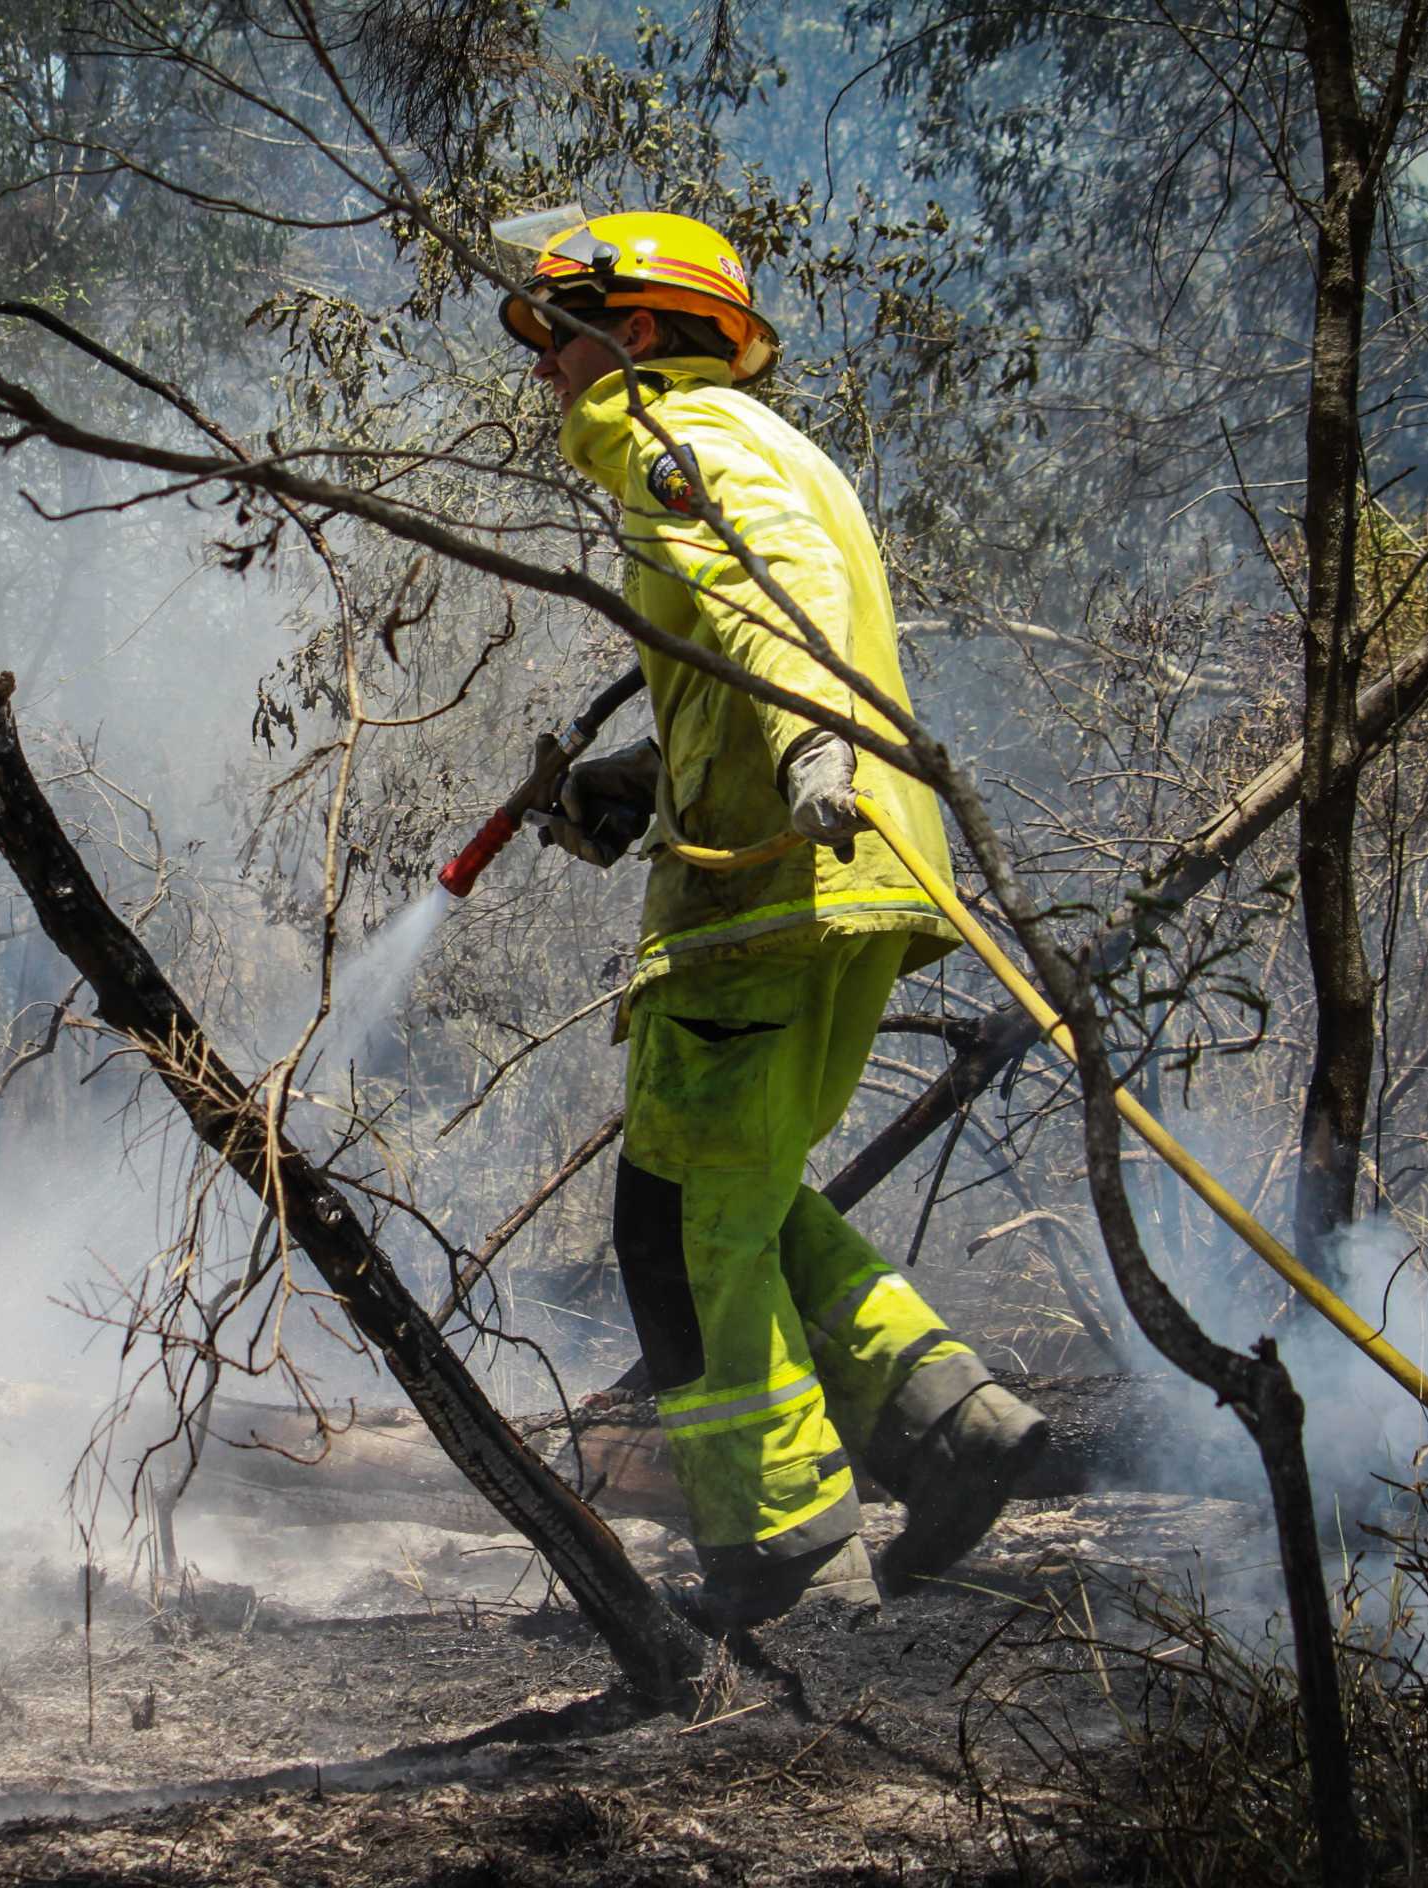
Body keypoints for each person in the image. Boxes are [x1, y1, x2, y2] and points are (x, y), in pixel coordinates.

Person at [498, 209, 1049, 1628]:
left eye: (555, 339)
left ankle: (789, 1552)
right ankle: (949, 1428)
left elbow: (773, 595)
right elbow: (754, 608)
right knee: (738, 1204)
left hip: (767, 893)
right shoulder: (772, 444)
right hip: (846, 884)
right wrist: (643, 780)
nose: (544, 375)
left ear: (636, 332)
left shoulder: (673, 435)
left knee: (672, 1228)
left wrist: (814, 750)